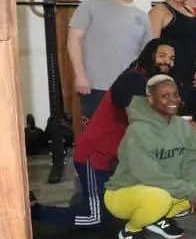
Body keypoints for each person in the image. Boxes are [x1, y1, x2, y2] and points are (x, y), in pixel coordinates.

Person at [31, 39, 175, 228]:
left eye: (172, 58)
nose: (168, 61)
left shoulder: (148, 84)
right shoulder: (134, 79)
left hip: (114, 158)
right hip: (95, 155)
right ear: (150, 54)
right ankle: (33, 210)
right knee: (95, 217)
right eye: (162, 55)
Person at [106, 75, 196, 239]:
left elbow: (192, 162)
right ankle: (131, 230)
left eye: (175, 94)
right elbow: (150, 175)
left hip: (161, 188)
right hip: (124, 192)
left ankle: (156, 218)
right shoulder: (138, 130)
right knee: (160, 198)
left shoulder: (183, 126)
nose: (173, 100)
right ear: (151, 99)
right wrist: (192, 192)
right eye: (165, 96)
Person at [68, 0, 152, 126]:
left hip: (130, 90)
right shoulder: (91, 5)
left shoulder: (142, 17)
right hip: (95, 88)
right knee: (96, 141)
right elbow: (74, 39)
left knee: (128, 142)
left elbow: (147, 56)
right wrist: (80, 75)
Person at [148, 0, 196, 109]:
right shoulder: (159, 11)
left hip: (192, 75)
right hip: (172, 75)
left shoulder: (189, 10)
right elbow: (151, 47)